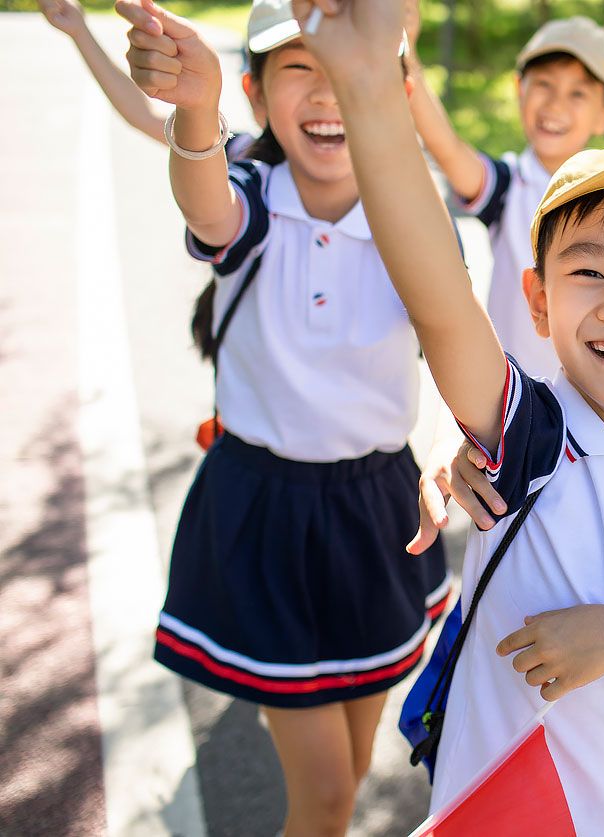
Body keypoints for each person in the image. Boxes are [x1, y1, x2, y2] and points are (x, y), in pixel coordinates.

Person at [291, 2, 604, 832]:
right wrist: (370, 82)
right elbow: (438, 291)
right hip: (505, 809)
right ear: (538, 300)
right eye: (589, 271)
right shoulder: (523, 431)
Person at [116, 0, 450, 833]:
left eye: (346, 68)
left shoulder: (410, 207)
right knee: (329, 795)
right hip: (268, 510)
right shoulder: (254, 194)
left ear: (390, 88)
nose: (327, 91)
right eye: (299, 68)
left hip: (379, 507)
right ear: (258, 97)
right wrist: (196, 112)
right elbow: (207, 208)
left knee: (358, 756)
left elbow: (459, 339)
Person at [404, 12, 604, 380]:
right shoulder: (508, 184)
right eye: (544, 85)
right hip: (512, 404)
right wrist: (407, 52)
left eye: (578, 93)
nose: (555, 105)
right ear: (518, 87)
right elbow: (445, 145)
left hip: (592, 403)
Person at [41, 0, 258, 157]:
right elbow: (144, 115)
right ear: (254, 91)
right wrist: (79, 30)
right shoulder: (240, 152)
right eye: (291, 68)